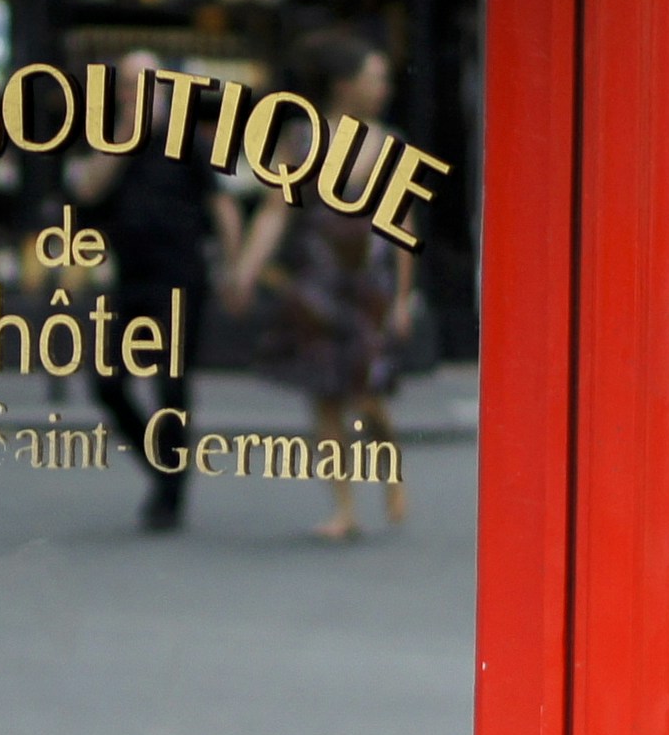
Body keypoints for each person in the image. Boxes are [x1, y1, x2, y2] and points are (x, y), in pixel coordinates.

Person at [234, 33, 418, 541]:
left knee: (368, 396)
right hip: (317, 285)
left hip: (369, 288)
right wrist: (246, 270)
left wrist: (403, 297)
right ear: (345, 85)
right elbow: (274, 212)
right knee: (324, 396)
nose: (383, 87)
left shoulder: (390, 145)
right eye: (374, 78)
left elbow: (402, 225)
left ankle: (390, 472)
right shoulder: (302, 141)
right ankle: (344, 508)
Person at [72, 53, 222, 531]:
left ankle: (169, 493)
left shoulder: (186, 143)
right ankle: (162, 466)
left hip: (181, 276)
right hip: (130, 278)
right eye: (131, 85)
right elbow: (89, 191)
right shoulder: (110, 140)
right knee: (108, 381)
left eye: (148, 84)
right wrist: (122, 140)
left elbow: (221, 205)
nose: (139, 94)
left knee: (170, 386)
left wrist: (236, 267)